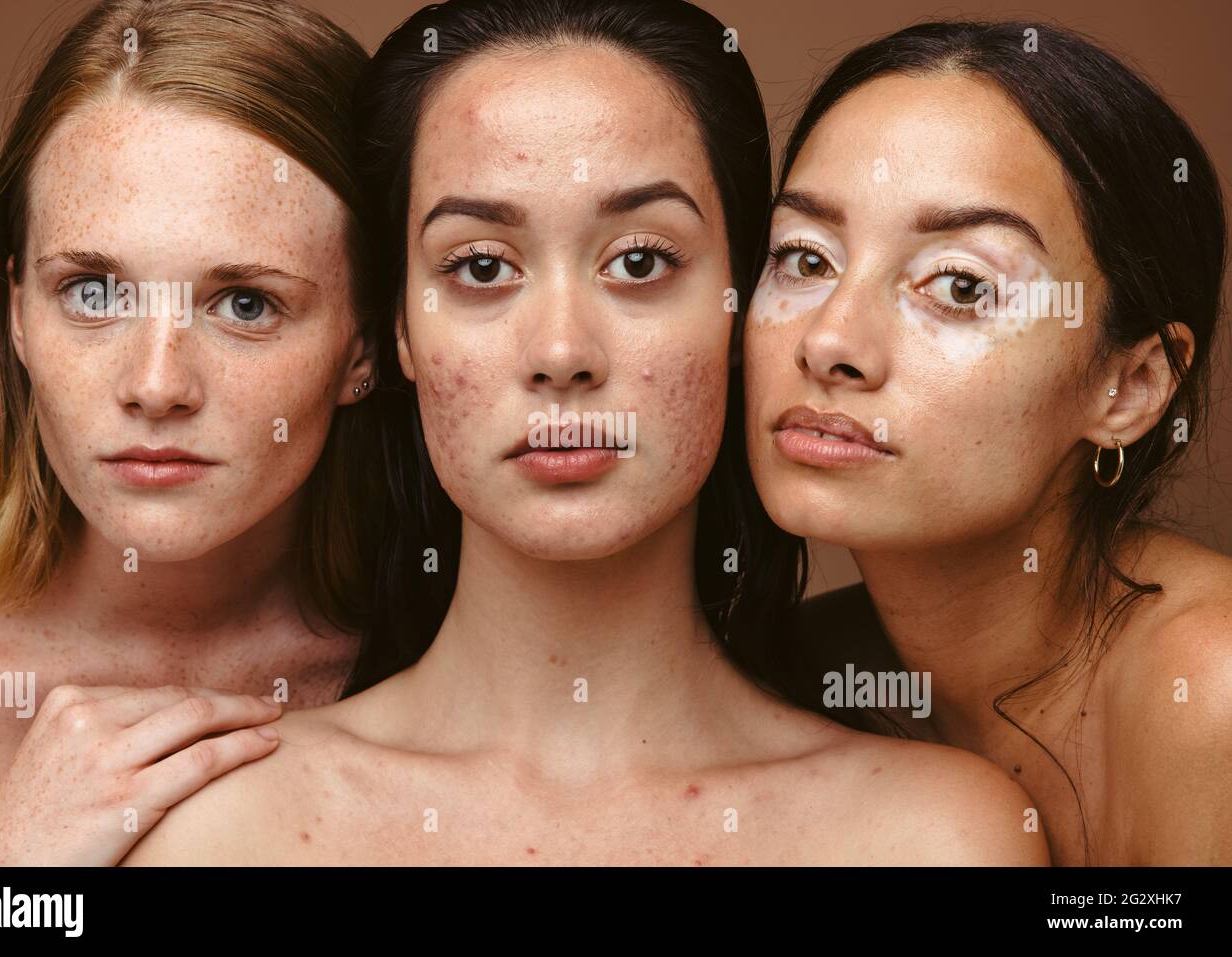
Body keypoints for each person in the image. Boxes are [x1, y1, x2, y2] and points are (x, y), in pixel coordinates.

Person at [126, 0, 1046, 866]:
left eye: (639, 261)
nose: (561, 353)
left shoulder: (932, 838)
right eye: (481, 266)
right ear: (399, 328)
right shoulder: (221, 828)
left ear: (744, 307)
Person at [744, 20, 1231, 864]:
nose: (828, 342)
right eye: (804, 257)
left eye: (960, 284)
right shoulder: (799, 671)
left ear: (1133, 386)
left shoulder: (1208, 687)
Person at [0, 0, 379, 865]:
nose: (155, 385)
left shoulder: (459, 662)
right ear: (17, 307)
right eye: (94, 292)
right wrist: (6, 872)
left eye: (245, 304)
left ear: (366, 342)